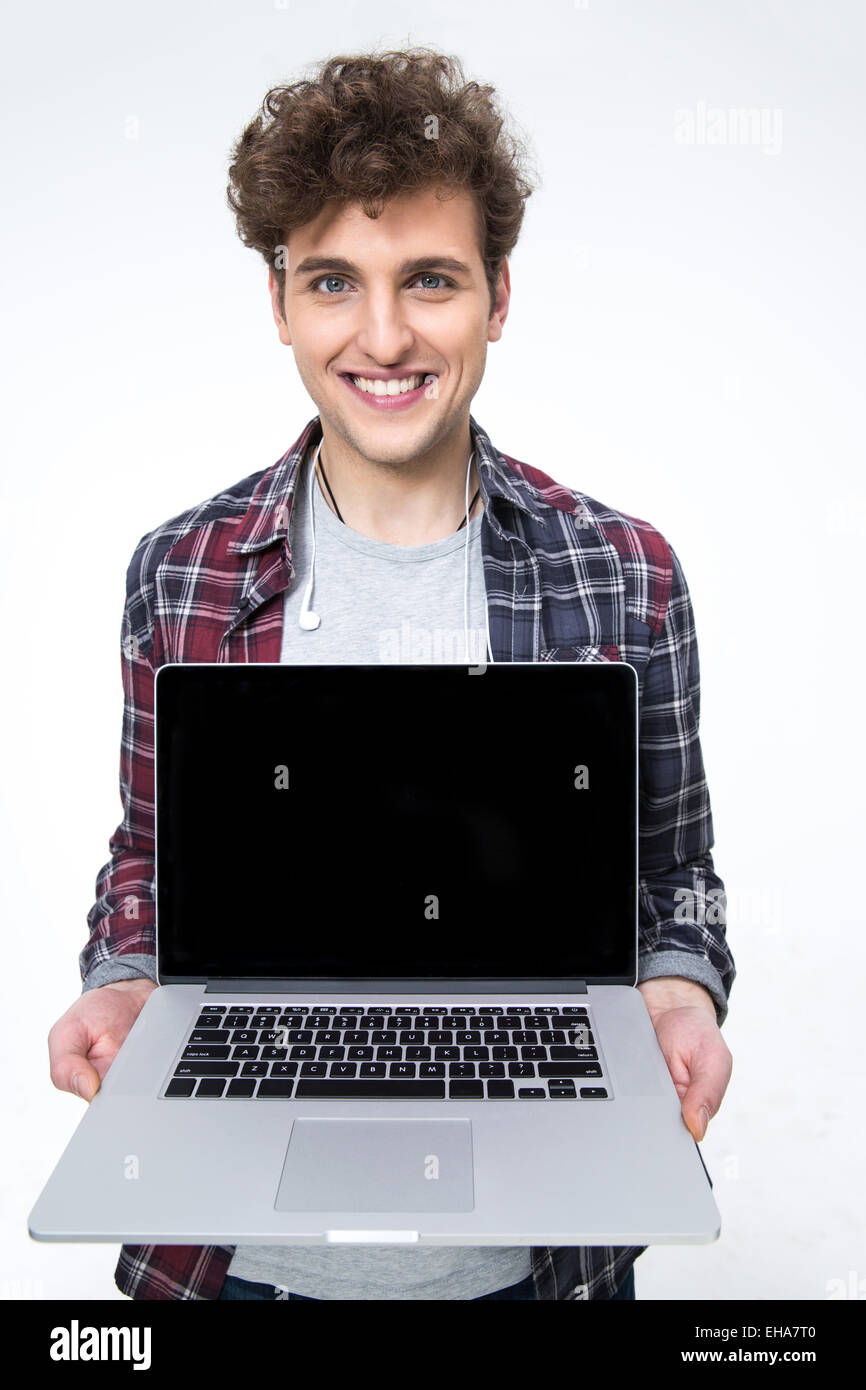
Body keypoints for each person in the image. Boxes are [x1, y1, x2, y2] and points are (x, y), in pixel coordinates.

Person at [46, 46, 734, 1302]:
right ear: (278, 300)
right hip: (232, 1265)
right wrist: (124, 980)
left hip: (535, 1269)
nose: (381, 336)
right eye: (330, 282)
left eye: (427, 279)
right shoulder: (179, 572)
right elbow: (148, 856)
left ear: (497, 293)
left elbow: (672, 871)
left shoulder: (623, 573)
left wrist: (678, 996)